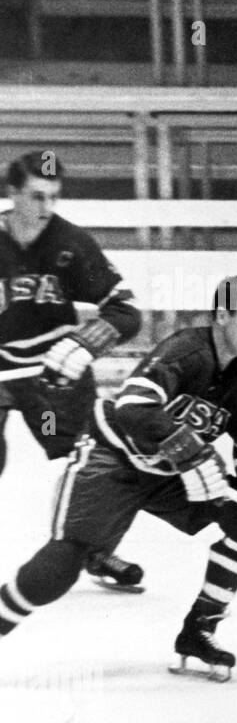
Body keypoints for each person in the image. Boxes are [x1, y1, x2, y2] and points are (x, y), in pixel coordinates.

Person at [0, 277, 237, 680]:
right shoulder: (186, 349)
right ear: (222, 316)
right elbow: (132, 406)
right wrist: (192, 452)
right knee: (61, 565)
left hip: (172, 476)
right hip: (114, 458)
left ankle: (199, 630)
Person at [0, 150, 146, 590]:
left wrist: (86, 343)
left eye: (54, 198)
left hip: (55, 376)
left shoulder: (71, 244)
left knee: (99, 466)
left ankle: (95, 551)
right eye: (36, 196)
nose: (46, 208)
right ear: (11, 193)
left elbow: (125, 310)